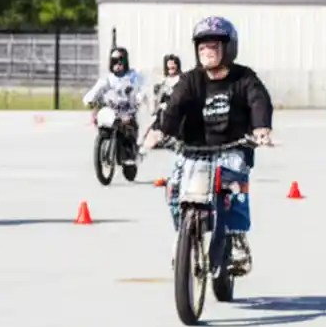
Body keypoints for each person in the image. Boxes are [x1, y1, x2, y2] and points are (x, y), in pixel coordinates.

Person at [143, 16, 274, 273]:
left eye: (213, 46)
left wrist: (261, 128)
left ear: (228, 48)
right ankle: (183, 237)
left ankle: (235, 238)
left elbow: (259, 100)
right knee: (175, 188)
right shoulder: (191, 80)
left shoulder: (243, 78)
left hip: (232, 147)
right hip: (193, 150)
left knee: (236, 183)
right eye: (202, 47)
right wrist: (159, 131)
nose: (207, 52)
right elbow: (174, 105)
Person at [84, 46, 146, 166]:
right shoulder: (108, 79)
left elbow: (142, 88)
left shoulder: (133, 76)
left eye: (121, 60)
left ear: (126, 61)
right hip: (112, 110)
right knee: (102, 121)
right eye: (114, 61)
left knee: (129, 127)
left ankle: (130, 152)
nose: (117, 64)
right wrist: (89, 99)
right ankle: (104, 147)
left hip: (128, 110)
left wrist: (140, 97)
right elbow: (97, 89)